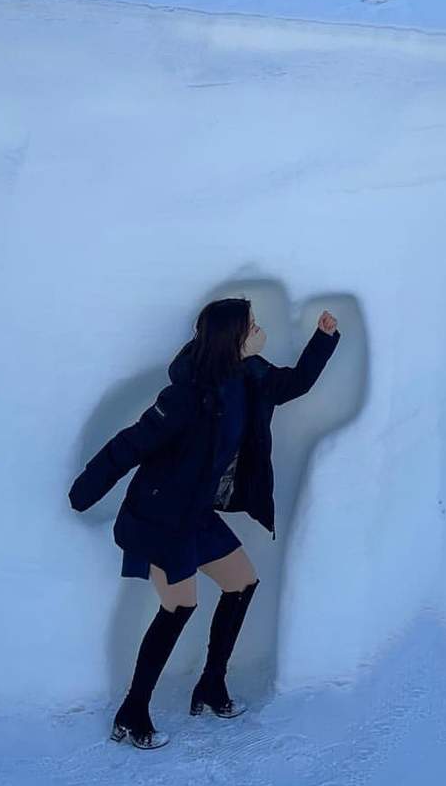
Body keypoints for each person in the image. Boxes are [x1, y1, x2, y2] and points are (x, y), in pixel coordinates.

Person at [69, 298, 340, 750]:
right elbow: (131, 443)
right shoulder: (186, 395)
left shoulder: (251, 375)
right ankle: (132, 712)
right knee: (179, 605)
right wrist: (85, 492)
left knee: (242, 582)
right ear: (232, 339)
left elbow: (294, 384)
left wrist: (323, 339)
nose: (259, 331)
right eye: (252, 326)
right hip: (160, 517)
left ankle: (211, 686)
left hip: (196, 513)